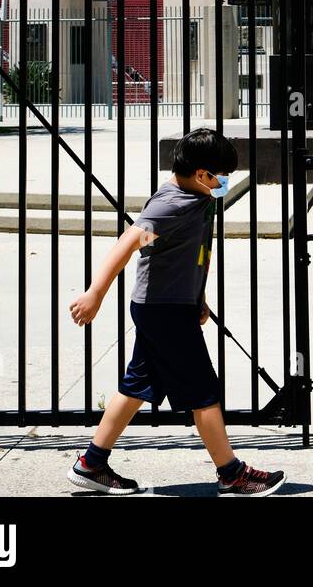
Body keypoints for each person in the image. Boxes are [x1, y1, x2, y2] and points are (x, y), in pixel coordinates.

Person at [67, 128, 286, 498]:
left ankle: (91, 464)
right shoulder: (168, 206)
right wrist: (95, 293)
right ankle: (232, 474)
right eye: (221, 175)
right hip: (163, 311)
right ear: (203, 175)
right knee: (203, 391)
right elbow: (129, 244)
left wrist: (197, 297)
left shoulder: (195, 195)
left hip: (170, 305)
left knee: (136, 386)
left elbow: (184, 254)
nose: (224, 182)